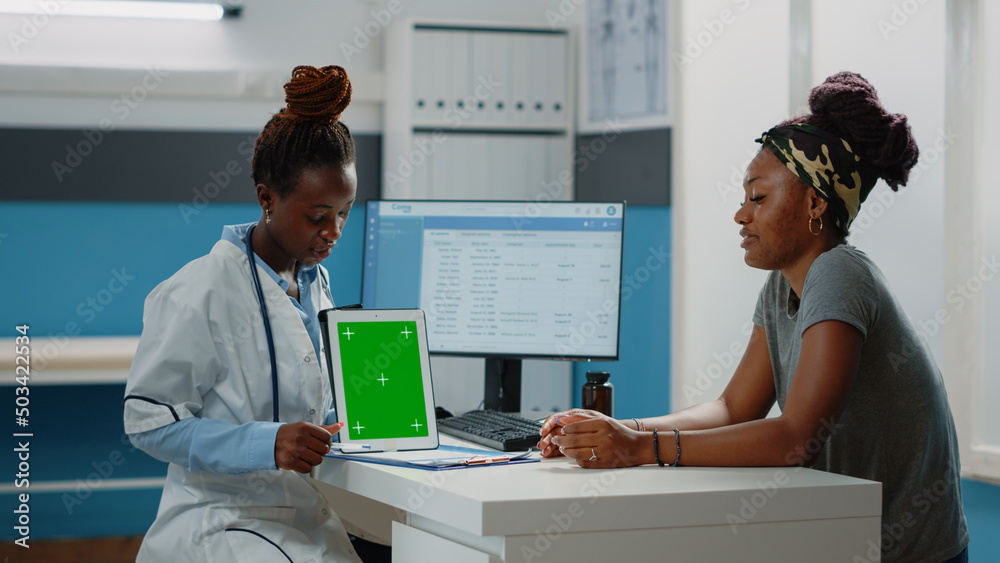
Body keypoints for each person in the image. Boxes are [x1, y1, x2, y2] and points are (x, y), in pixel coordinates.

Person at [538, 72, 969, 563]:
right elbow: (733, 408)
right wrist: (614, 429)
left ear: (815, 203)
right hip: (844, 541)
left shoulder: (840, 273)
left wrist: (637, 447)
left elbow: (794, 438)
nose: (741, 216)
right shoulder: (781, 284)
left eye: (758, 198)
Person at [124, 65, 387, 562]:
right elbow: (148, 423)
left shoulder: (314, 284)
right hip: (222, 522)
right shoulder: (199, 290)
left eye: (344, 211)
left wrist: (344, 424)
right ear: (267, 198)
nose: (334, 230)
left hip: (306, 512)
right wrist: (265, 445)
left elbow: (305, 404)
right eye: (317, 216)